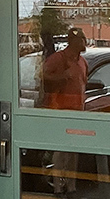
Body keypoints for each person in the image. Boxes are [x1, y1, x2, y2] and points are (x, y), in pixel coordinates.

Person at [41, 27, 88, 195]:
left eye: (84, 39)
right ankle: (58, 188)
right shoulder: (58, 58)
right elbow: (42, 76)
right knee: (60, 151)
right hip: (61, 110)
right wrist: (63, 76)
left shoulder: (82, 62)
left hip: (77, 112)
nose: (84, 42)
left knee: (73, 151)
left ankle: (71, 187)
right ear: (72, 41)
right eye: (81, 39)